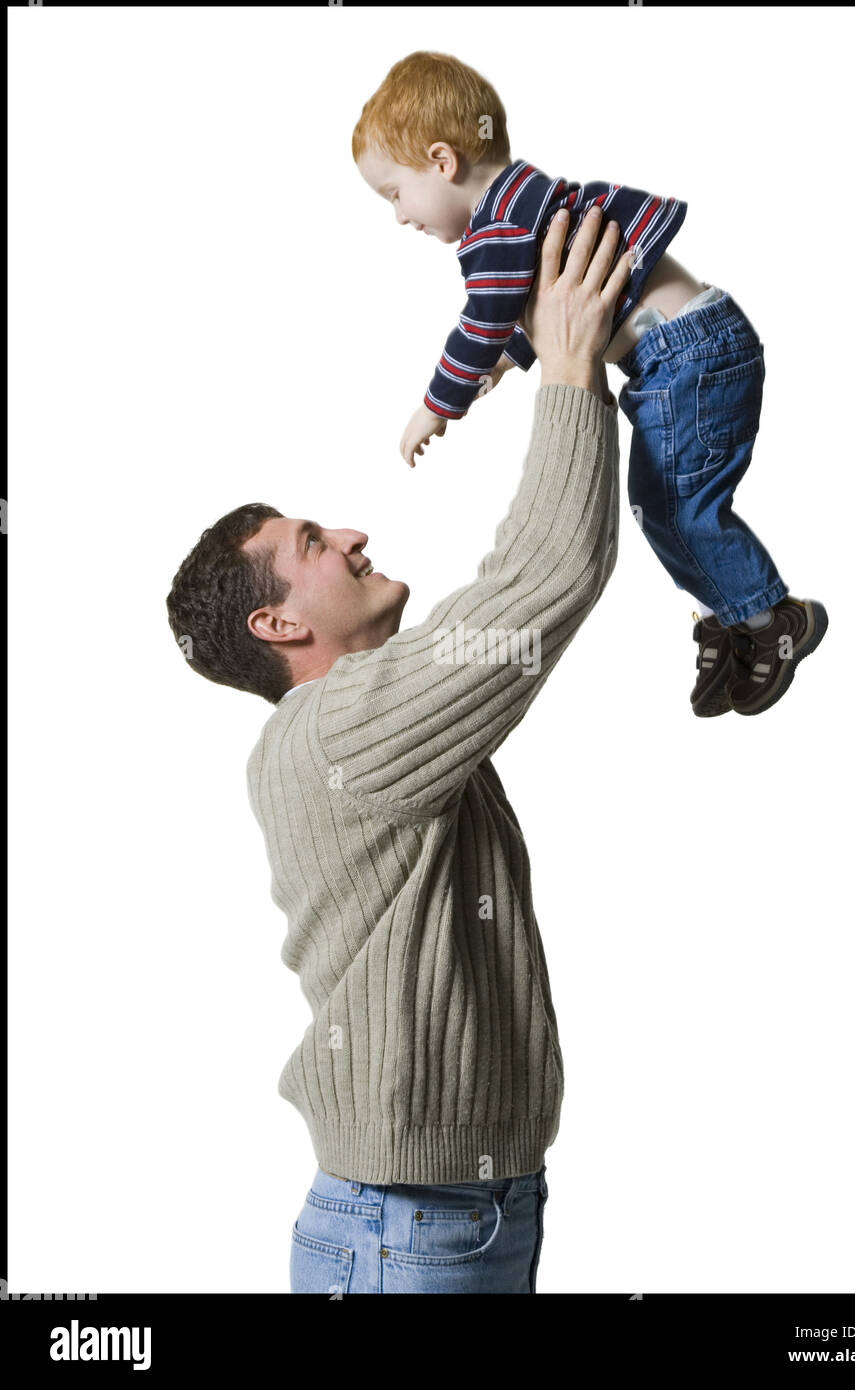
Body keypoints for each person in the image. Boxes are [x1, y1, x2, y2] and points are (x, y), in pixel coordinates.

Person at [165, 202, 628, 1292]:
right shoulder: (338, 728)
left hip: (446, 1212)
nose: (353, 532)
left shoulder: (362, 717)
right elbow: (540, 582)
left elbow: (519, 589)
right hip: (409, 1230)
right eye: (312, 546)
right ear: (279, 625)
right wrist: (566, 367)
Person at [353, 50, 828, 718]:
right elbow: (538, 297)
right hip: (686, 350)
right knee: (658, 506)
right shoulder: (521, 205)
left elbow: (484, 315)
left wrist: (438, 405)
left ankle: (770, 617)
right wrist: (507, 360)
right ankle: (728, 612)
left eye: (394, 193)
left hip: (684, 355)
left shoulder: (497, 231)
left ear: (441, 161)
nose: (400, 216)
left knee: (675, 508)